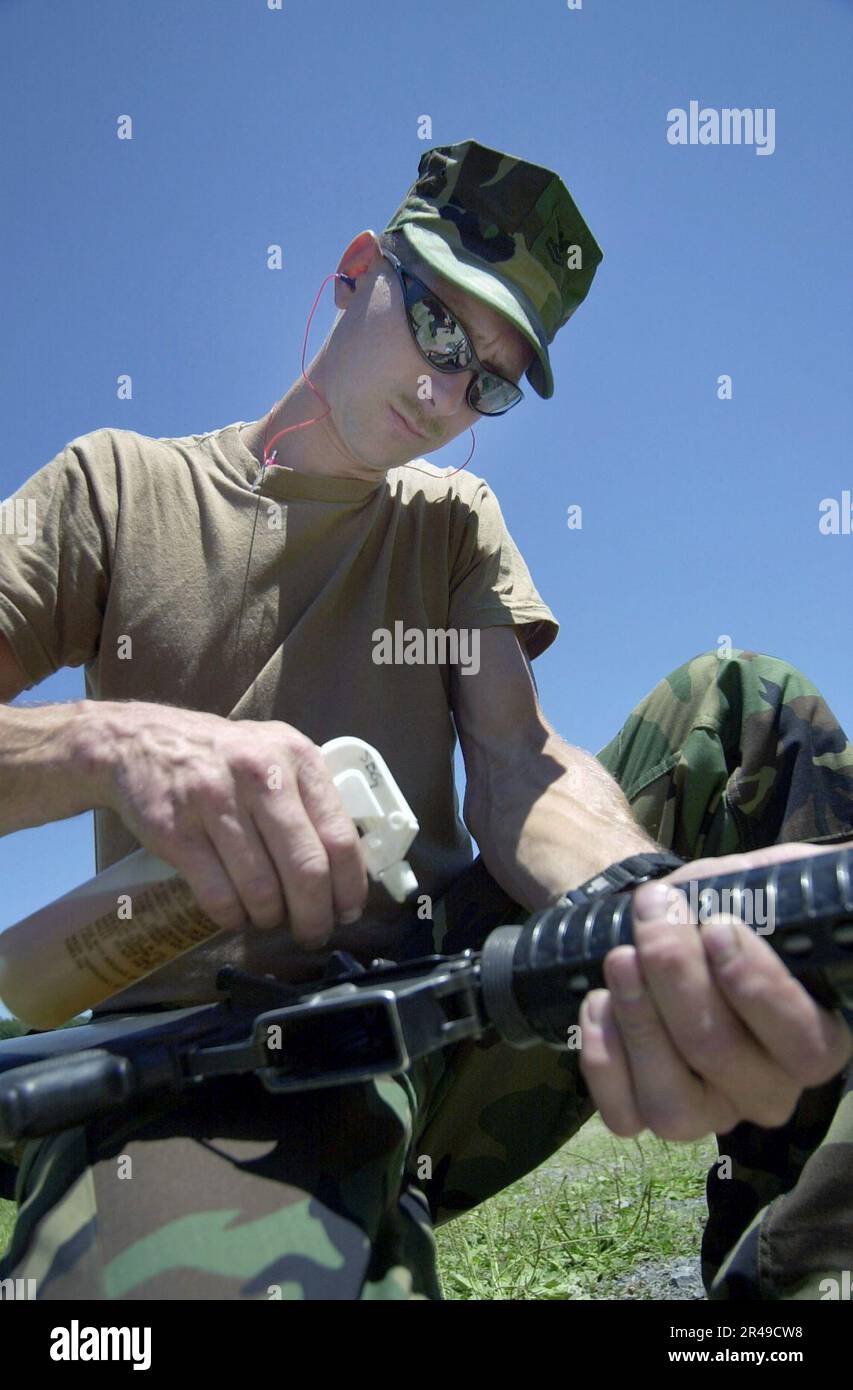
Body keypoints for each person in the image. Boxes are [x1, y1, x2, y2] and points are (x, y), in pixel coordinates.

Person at [0, 138, 850, 1301]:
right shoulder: (114, 490)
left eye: (490, 380)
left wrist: (642, 901)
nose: (446, 394)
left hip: (455, 1007)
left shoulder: (451, 521)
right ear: (358, 269)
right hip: (200, 1055)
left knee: (748, 712)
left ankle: (767, 1266)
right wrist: (105, 742)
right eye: (442, 328)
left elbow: (517, 766)